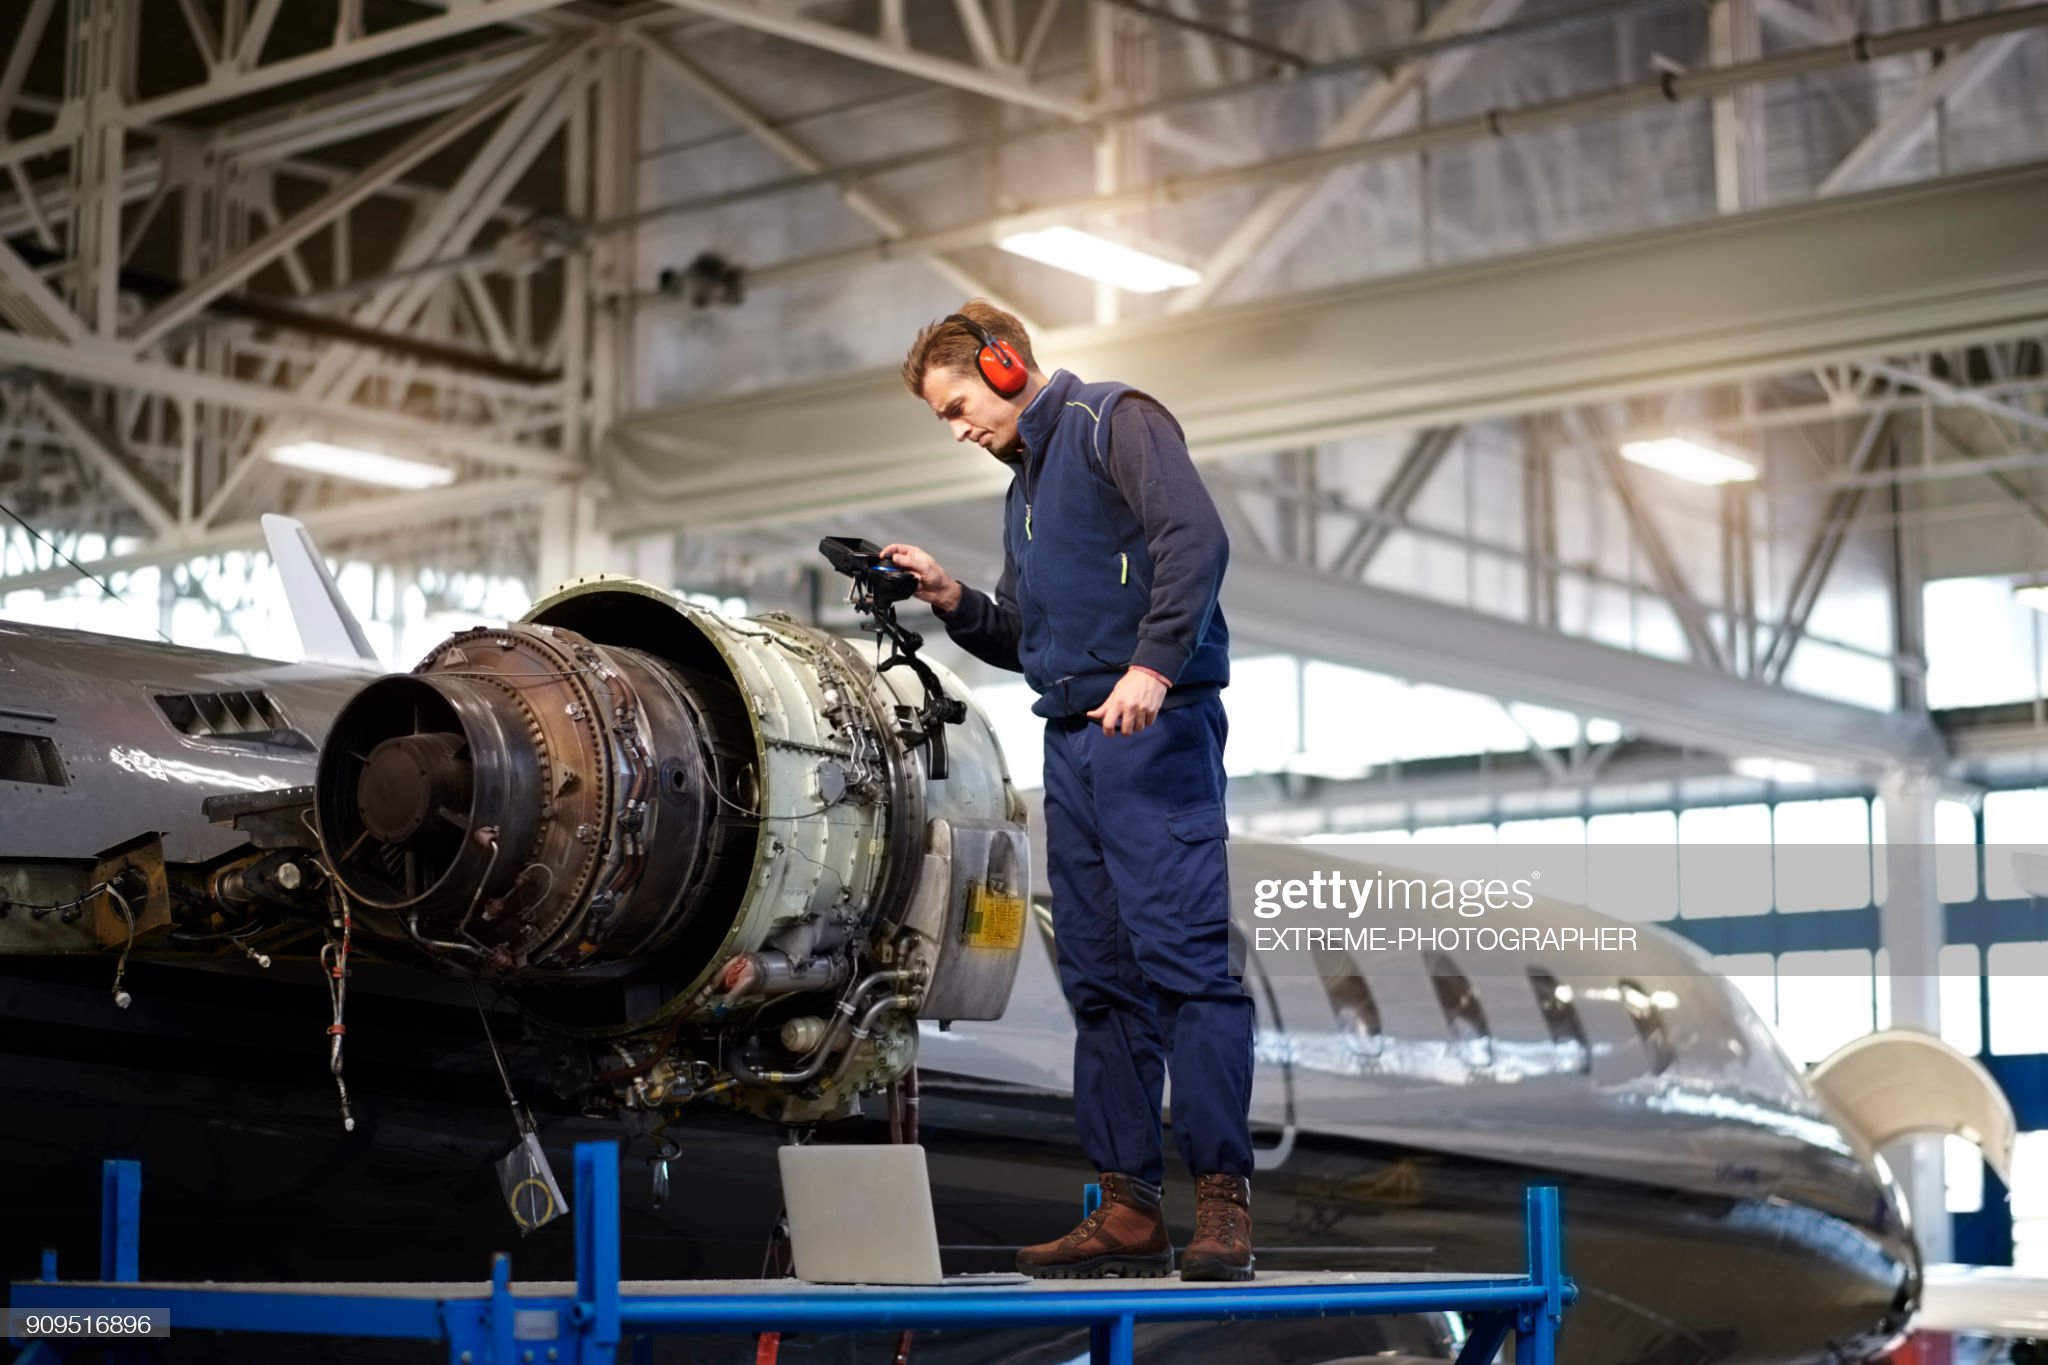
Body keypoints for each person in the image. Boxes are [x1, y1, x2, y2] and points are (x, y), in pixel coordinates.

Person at [884, 301, 1255, 1282]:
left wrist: (1154, 666)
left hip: (1155, 731)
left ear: (1004, 367)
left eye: (959, 404)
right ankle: (1128, 1209)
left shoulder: (1114, 422)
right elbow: (1029, 639)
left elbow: (1195, 544)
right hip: (1075, 742)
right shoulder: (1028, 487)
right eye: (944, 419)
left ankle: (1221, 1205)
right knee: (1097, 978)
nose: (959, 427)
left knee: (1184, 967)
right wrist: (951, 598)